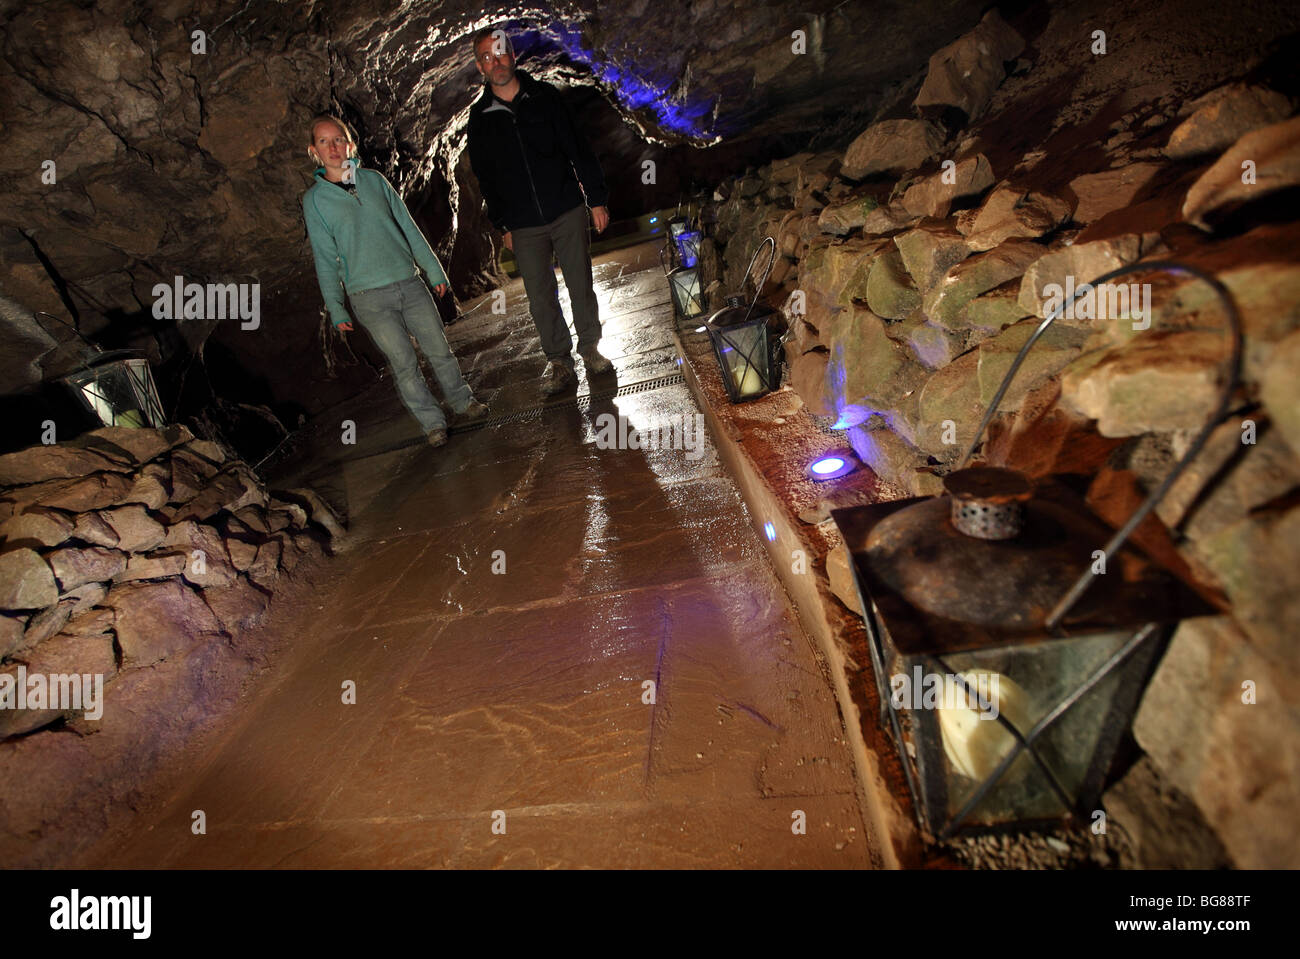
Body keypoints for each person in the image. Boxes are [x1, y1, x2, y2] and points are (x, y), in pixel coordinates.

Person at [302, 113, 488, 447]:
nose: (333, 147)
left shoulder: (375, 181)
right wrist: (337, 308)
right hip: (367, 297)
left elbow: (408, 227)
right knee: (404, 363)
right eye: (323, 141)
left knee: (439, 351)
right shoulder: (314, 202)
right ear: (313, 150)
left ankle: (464, 402)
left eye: (338, 139)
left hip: (409, 282)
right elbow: (325, 258)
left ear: (350, 144)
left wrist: (434, 271)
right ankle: (433, 423)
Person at [466, 27, 615, 396]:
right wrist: (503, 224)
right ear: (479, 66)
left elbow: (578, 148)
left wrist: (595, 199)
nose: (495, 61)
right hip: (523, 223)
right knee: (540, 295)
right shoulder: (480, 118)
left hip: (566, 208)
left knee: (580, 282)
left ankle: (591, 349)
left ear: (512, 55)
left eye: (500, 53)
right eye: (486, 57)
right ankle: (559, 361)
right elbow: (486, 178)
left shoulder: (545, 97)